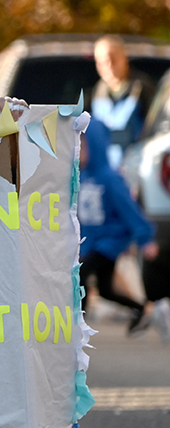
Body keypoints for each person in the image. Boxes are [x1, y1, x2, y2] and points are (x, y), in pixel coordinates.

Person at [79, 117, 159, 333]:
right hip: (93, 242)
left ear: (95, 144)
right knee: (105, 289)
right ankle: (141, 308)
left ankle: (78, 327)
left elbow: (130, 210)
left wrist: (145, 239)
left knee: (81, 275)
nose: (78, 150)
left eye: (83, 145)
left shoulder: (110, 178)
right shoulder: (82, 176)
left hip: (110, 242)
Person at [91, 35, 157, 169]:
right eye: (102, 62)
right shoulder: (98, 92)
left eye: (112, 59)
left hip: (137, 168)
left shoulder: (141, 88)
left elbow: (154, 131)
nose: (108, 65)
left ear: (124, 57)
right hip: (107, 170)